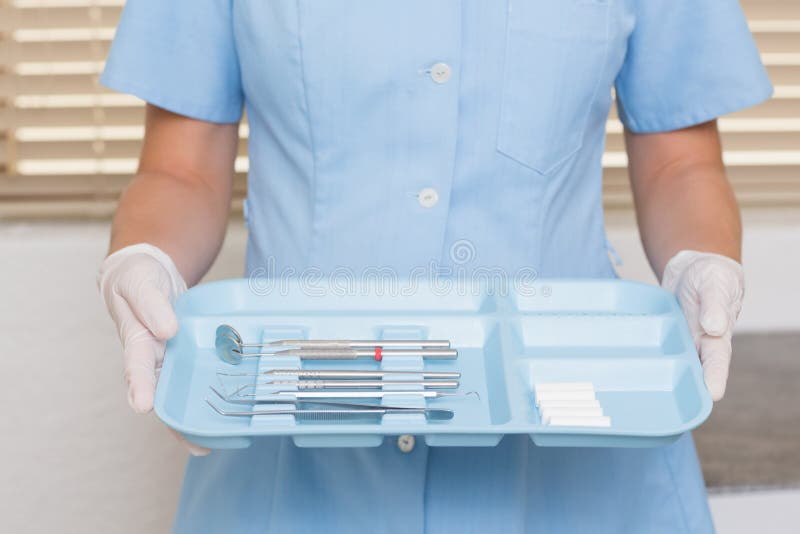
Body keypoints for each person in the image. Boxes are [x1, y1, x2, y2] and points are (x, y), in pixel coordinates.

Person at [96, 1, 770, 532]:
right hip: (291, 457)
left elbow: (682, 162)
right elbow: (179, 171)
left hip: (577, 464)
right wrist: (145, 257)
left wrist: (699, 261)